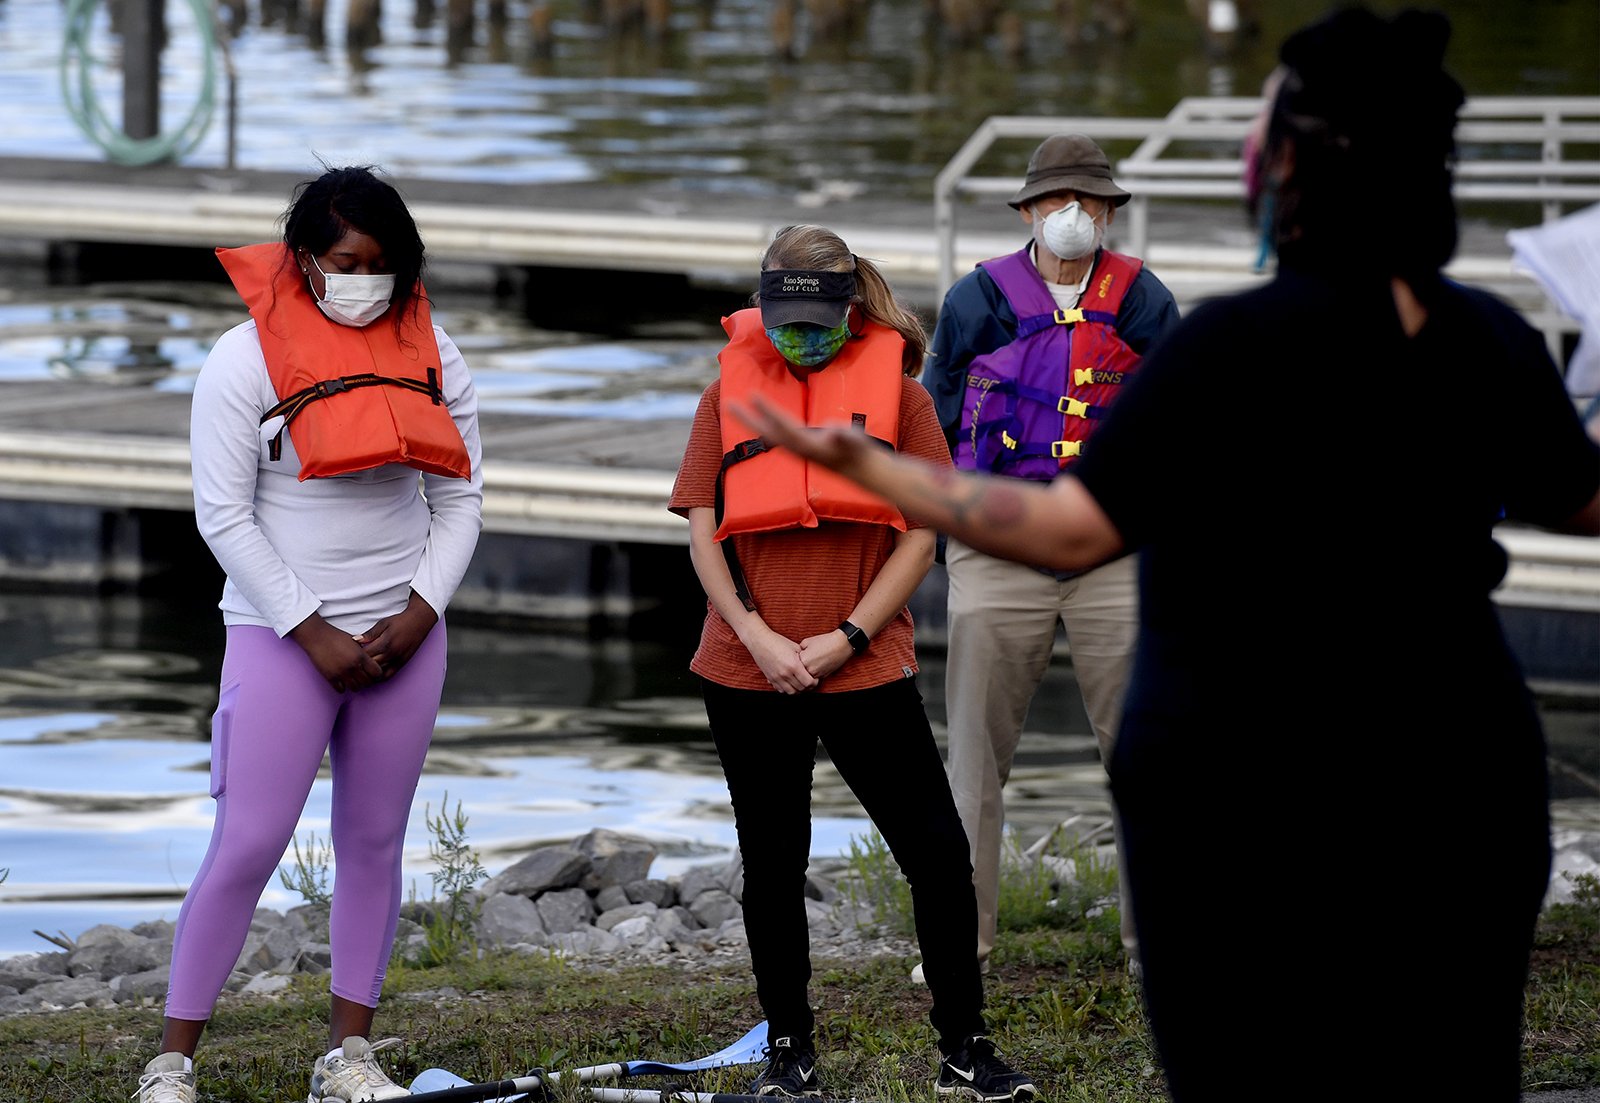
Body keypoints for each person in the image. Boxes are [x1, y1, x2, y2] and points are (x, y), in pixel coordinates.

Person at [732, 10, 1600, 1099]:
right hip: (1462, 772)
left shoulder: (1228, 348)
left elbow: (1068, 527)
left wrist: (873, 466)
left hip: (1257, 790)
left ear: (1288, 164)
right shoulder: (1493, 340)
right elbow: (1581, 498)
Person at [136, 166, 484, 1103]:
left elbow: (460, 502)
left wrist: (418, 613)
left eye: (385, 265)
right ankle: (171, 1063)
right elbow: (222, 513)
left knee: (373, 841)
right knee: (247, 840)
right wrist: (311, 628)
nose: (365, 279)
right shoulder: (240, 358)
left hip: (404, 636)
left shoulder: (438, 352)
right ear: (304, 261)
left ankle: (350, 1055)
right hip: (281, 636)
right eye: (346, 262)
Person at [670, 225, 1036, 1102]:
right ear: (761, 307)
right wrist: (758, 637)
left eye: (817, 319)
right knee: (773, 859)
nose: (799, 337)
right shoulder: (726, 392)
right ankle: (788, 1051)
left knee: (940, 857)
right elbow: (699, 527)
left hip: (863, 661)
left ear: (849, 304)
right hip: (746, 664)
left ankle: (965, 1046)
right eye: (782, 319)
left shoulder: (902, 399)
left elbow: (922, 528)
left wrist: (850, 636)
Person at [920, 132, 1178, 973]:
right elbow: (935, 419)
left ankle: (1161, 941)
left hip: (1113, 549)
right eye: (1059, 201)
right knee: (972, 758)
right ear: (1029, 211)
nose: (1075, 215)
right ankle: (965, 939)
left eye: (1092, 201)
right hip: (998, 546)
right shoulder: (975, 300)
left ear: (1110, 212)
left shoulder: (1145, 301)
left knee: (1147, 748)